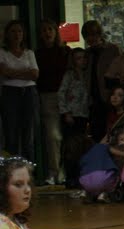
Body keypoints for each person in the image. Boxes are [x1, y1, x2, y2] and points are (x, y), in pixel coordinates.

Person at [0, 20, 40, 162]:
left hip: (29, 93)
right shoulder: (2, 53)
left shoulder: (29, 53)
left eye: (19, 31)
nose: (17, 34)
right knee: (11, 134)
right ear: (7, 35)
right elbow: (5, 73)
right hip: (10, 93)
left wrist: (14, 73)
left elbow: (35, 74)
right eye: (13, 31)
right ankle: (11, 171)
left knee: (28, 134)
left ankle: (29, 171)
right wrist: (25, 72)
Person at [34, 22, 67, 185]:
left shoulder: (65, 52)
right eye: (44, 30)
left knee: (68, 136)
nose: (47, 33)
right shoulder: (37, 54)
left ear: (55, 32)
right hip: (48, 96)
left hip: (67, 96)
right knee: (53, 136)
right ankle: (54, 171)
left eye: (50, 30)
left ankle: (68, 171)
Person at [58, 48, 92, 186]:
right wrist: (66, 112)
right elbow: (61, 93)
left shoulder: (87, 75)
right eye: (78, 58)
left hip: (83, 114)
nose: (82, 61)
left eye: (83, 58)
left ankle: (81, 175)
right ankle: (70, 177)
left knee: (81, 146)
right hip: (71, 114)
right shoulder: (69, 75)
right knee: (71, 147)